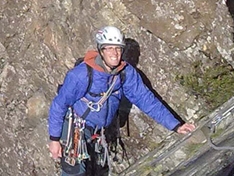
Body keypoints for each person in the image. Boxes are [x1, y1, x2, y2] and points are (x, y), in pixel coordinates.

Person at [47, 26, 195, 175]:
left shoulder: (125, 73)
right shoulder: (81, 75)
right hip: (76, 129)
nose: (114, 53)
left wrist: (176, 125)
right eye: (109, 48)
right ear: (101, 51)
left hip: (99, 132)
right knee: (75, 172)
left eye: (118, 48)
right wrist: (54, 140)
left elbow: (146, 100)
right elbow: (59, 105)